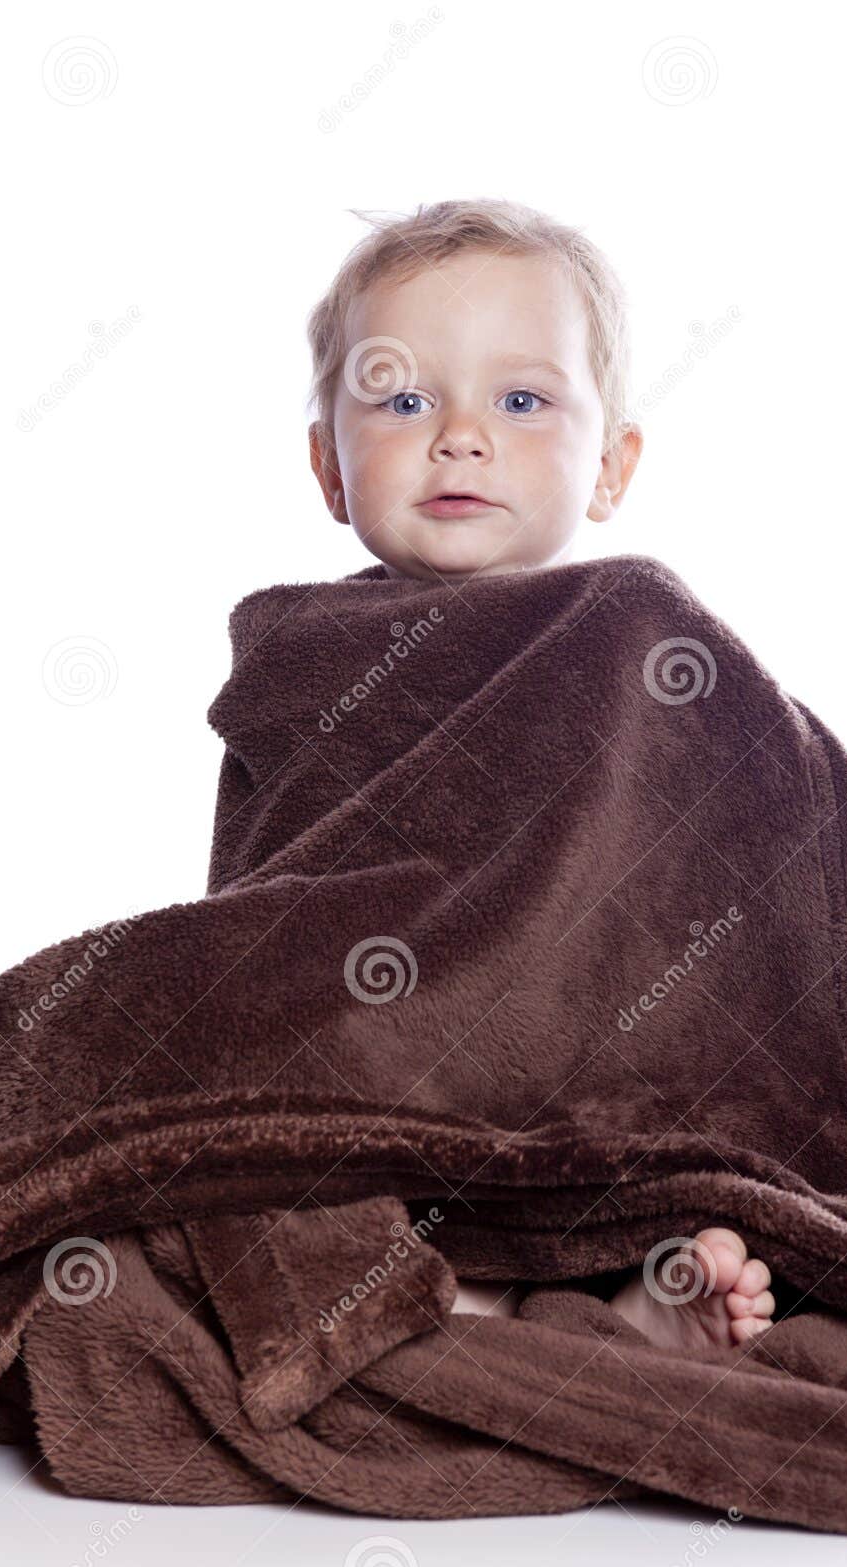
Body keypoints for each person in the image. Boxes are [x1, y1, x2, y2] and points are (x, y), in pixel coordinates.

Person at [305, 197, 774, 1354]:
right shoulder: (301, 661)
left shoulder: (636, 639)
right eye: (401, 398)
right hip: (386, 1090)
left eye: (520, 402)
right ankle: (487, 1307)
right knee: (252, 1182)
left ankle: (612, 1291)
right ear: (327, 467)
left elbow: (739, 839)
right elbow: (269, 913)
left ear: (610, 464)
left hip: (596, 1082)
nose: (458, 435)